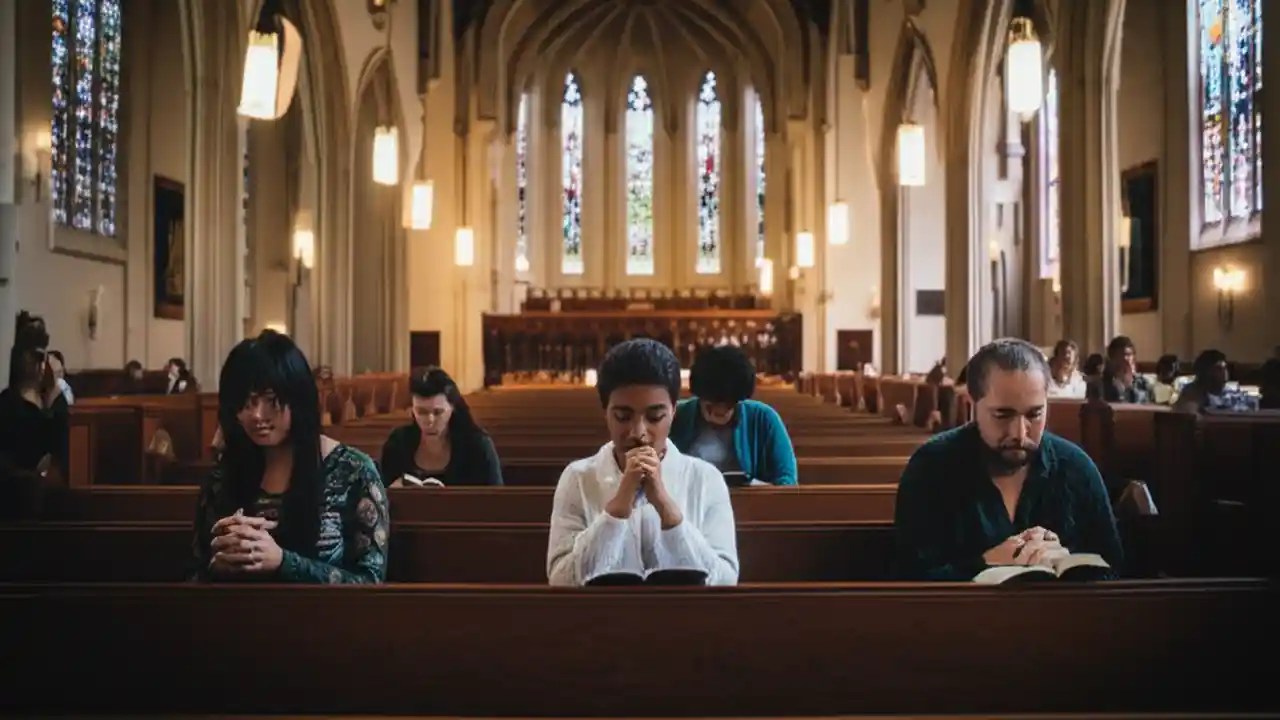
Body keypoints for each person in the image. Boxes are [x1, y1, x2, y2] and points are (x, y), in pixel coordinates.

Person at [894, 338, 1124, 581]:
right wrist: (985, 563)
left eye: (1034, 414)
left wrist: (1066, 560)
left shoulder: (1077, 468)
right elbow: (911, 580)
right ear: (972, 405)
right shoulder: (931, 467)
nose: (1020, 433)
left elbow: (1115, 571)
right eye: (1003, 415)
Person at [189, 330, 389, 583]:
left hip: (323, 609)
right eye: (246, 403)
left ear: (298, 400)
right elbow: (194, 574)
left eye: (271, 400)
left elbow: (371, 581)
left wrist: (284, 562)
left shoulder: (353, 472)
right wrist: (217, 569)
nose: (257, 415)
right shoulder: (223, 476)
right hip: (238, 608)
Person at [547, 338, 738, 586]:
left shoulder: (706, 478)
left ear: (673, 412)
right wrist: (617, 509)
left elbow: (725, 579)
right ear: (606, 412)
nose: (638, 432)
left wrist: (667, 509)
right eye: (622, 417)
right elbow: (560, 578)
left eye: (655, 417)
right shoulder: (578, 477)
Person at [669, 345, 797, 486]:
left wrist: (755, 487)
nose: (720, 412)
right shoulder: (676, 415)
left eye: (729, 405)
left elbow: (788, 480)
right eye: (710, 406)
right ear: (700, 397)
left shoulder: (764, 418)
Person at [379, 367, 503, 486]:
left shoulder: (477, 445)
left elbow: (495, 496)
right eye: (421, 412)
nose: (430, 420)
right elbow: (380, 491)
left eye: (438, 412)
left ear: (452, 408)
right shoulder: (398, 442)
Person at [0, 312, 69, 480]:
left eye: (42, 358)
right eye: (34, 357)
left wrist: (52, 393)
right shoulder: (7, 403)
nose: (39, 365)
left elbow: (61, 445)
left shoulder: (52, 401)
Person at [1172, 349, 1259, 414]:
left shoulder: (1231, 392)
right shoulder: (1192, 391)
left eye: (1225, 368)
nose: (1224, 372)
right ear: (1205, 372)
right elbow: (1189, 412)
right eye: (1218, 369)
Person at [1087, 336, 1152, 404]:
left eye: (1129, 355)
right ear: (1111, 358)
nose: (1125, 359)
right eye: (1121, 355)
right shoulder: (1097, 386)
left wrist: (1129, 387)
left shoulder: (1143, 384)